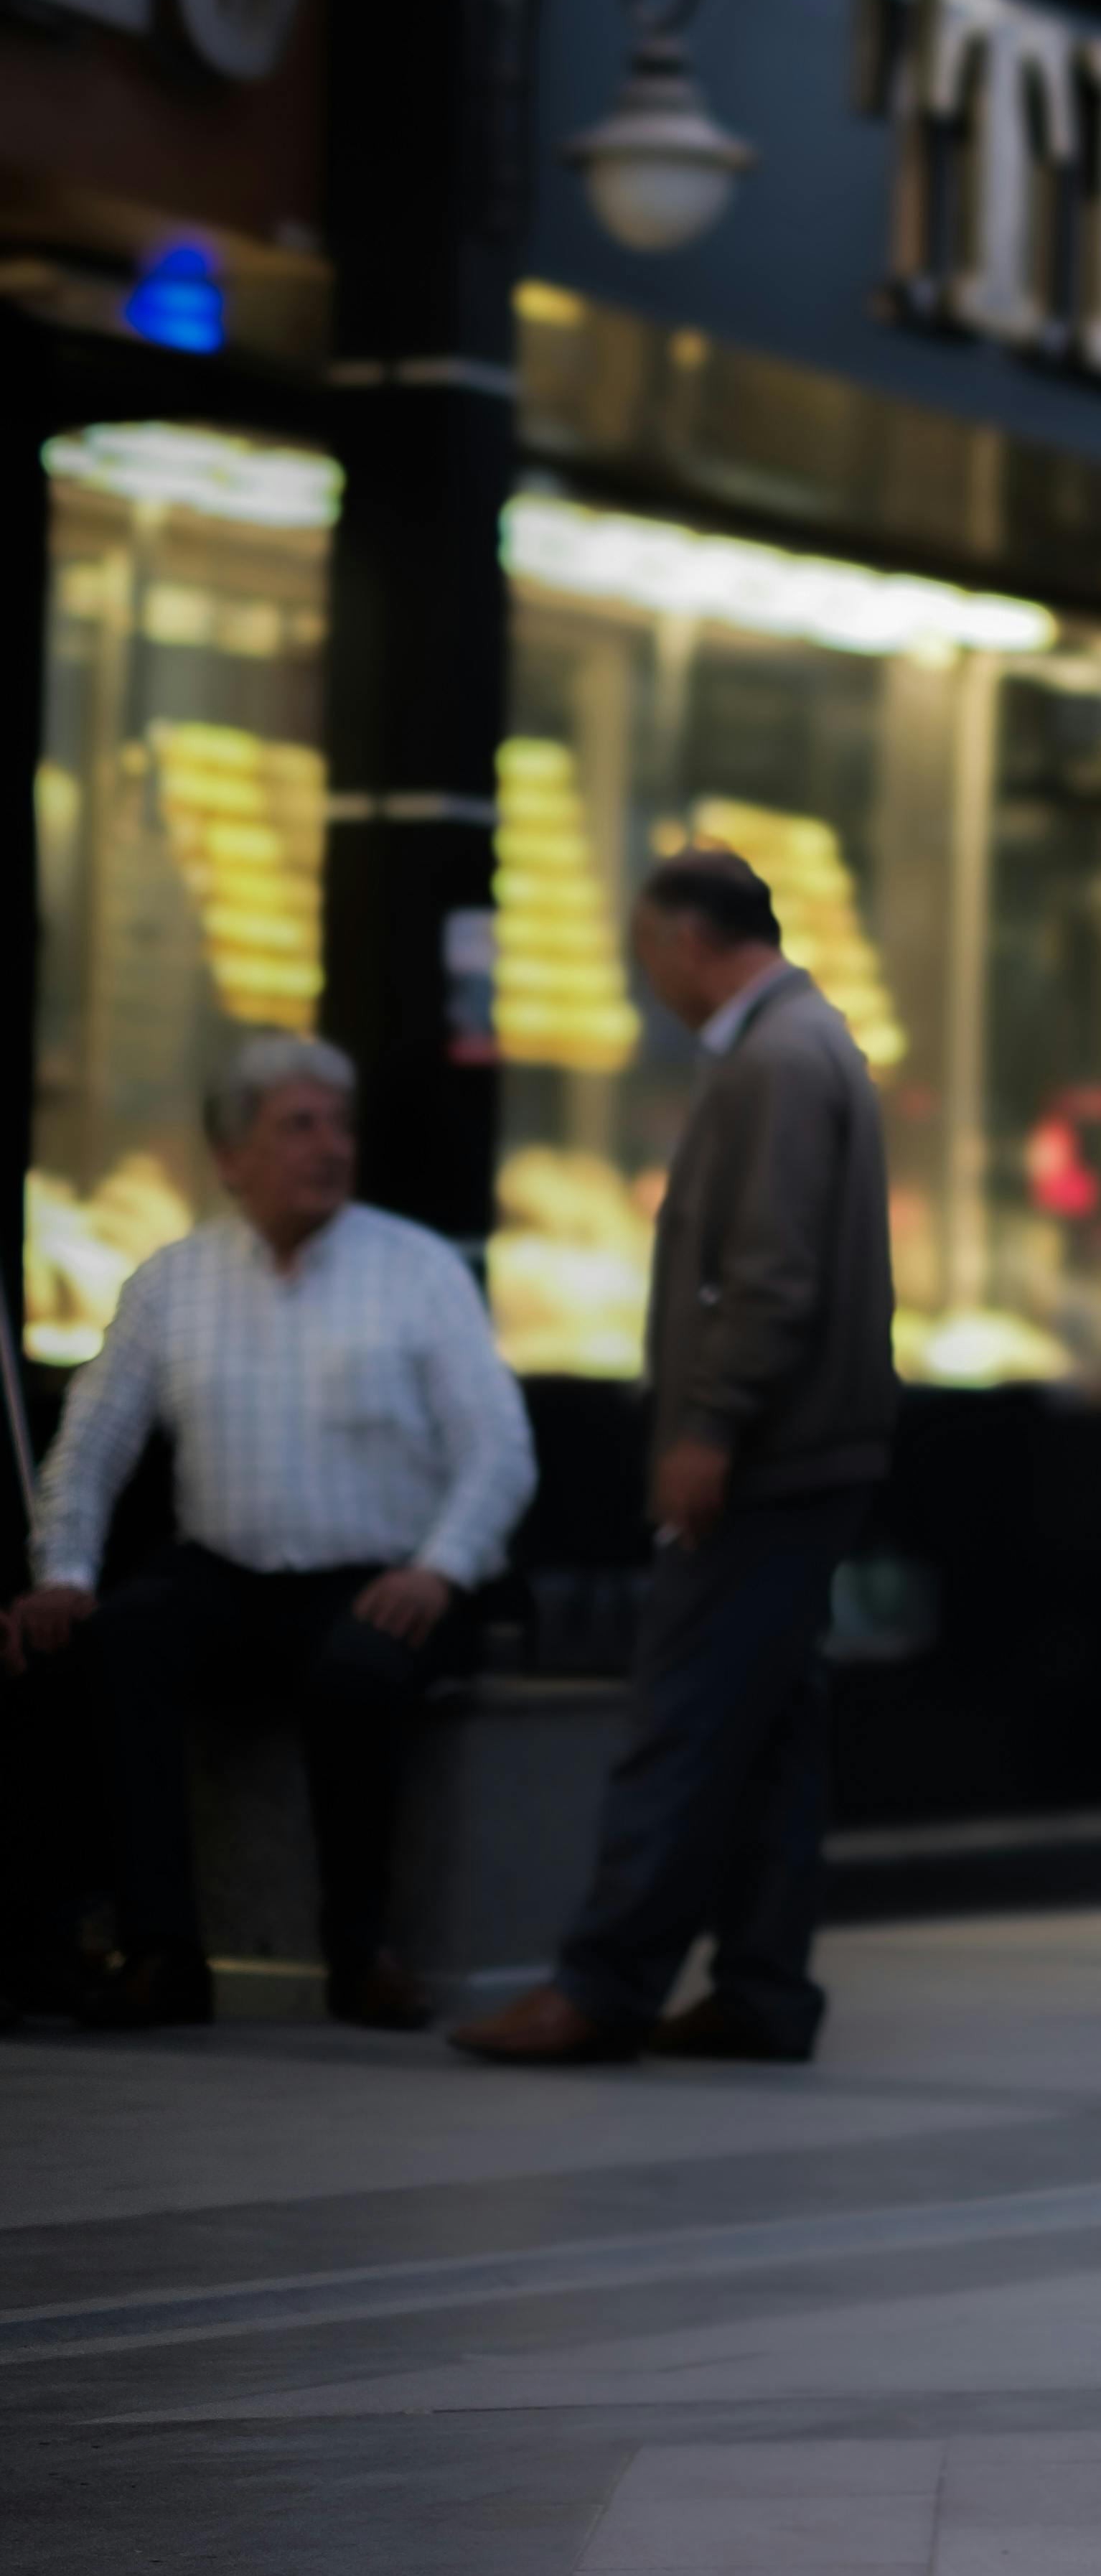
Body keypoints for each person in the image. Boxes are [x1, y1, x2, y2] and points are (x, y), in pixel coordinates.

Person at [454, 846, 894, 2068]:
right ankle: (761, 1988)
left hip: (770, 1453)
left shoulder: (778, 1055)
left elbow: (769, 1270)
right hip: (806, 1448)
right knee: (768, 1726)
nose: (649, 978)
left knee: (685, 1713)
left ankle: (602, 1982)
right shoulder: (802, 1042)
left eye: (648, 952)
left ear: (686, 941)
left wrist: (709, 1422)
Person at [1, 1032, 533, 2027]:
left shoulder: (417, 1270)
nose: (329, 1147)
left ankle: (361, 1952)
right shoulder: (172, 1282)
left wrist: (441, 1568)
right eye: (298, 1127)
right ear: (233, 1158)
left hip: (387, 1573)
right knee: (115, 1639)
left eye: (339, 1126)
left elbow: (500, 1450)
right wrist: (64, 1569)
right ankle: (160, 1951)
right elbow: (90, 1442)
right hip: (228, 1571)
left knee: (358, 1671)